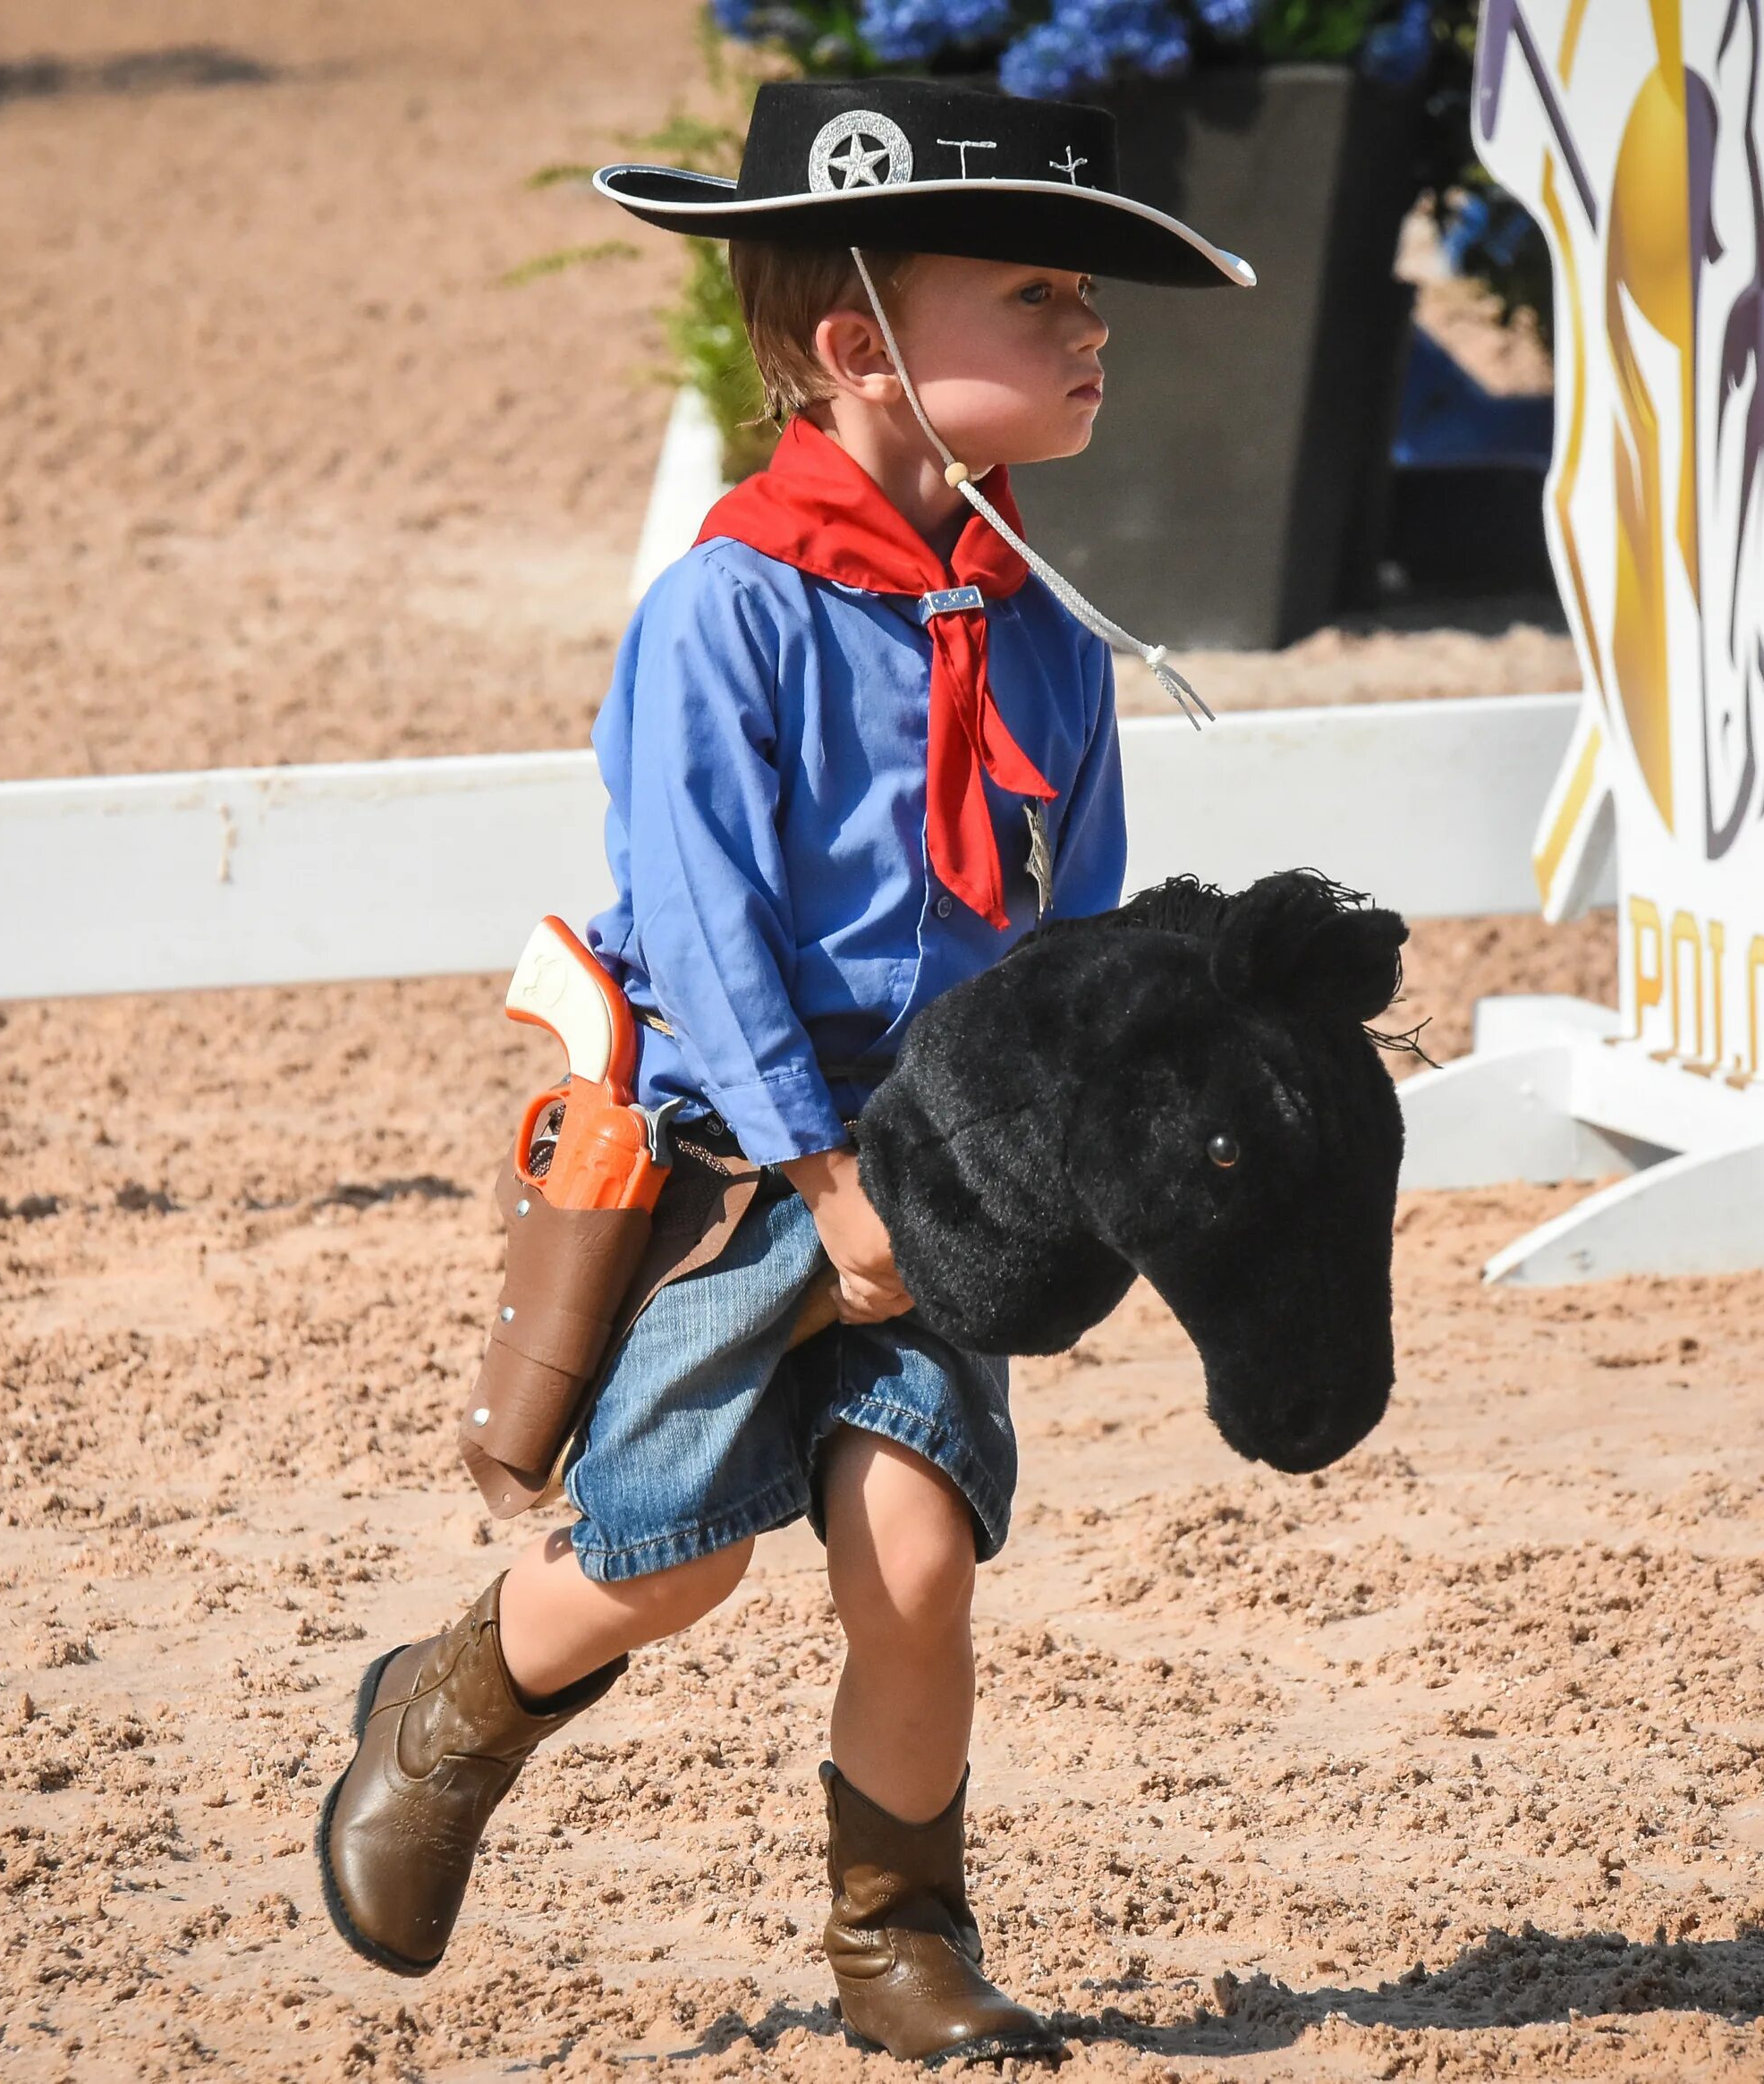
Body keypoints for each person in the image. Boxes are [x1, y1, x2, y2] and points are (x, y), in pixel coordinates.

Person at [318, 77, 1251, 2064]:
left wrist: (1081, 1139)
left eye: (1086, 300)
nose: (1089, 332)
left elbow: (1065, 936)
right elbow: (712, 922)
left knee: (916, 1552)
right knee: (670, 1553)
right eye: (1036, 295)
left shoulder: (1050, 638)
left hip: (951, 1161)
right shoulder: (724, 613)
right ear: (862, 348)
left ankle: (901, 1938)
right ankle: (447, 1704)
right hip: (736, 1162)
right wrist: (823, 1178)